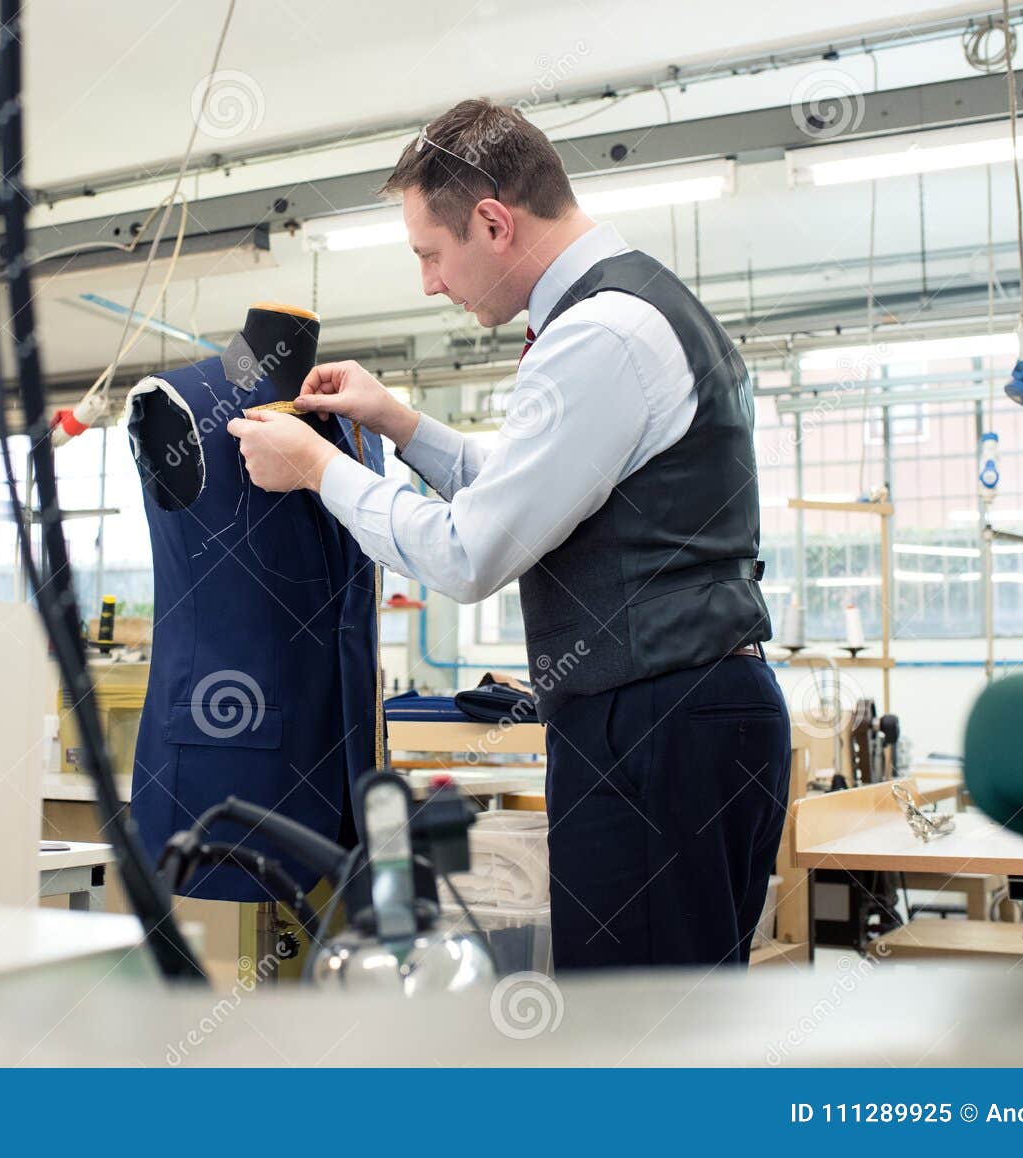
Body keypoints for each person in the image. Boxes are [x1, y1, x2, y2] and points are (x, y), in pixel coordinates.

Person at [226, 98, 790, 971]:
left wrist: (319, 469)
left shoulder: (597, 335)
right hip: (684, 716)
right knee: (673, 1033)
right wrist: (404, 427)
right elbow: (545, 500)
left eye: (430, 253)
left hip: (653, 725)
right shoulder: (636, 310)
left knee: (631, 1047)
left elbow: (469, 553)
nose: (429, 283)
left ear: (492, 222)